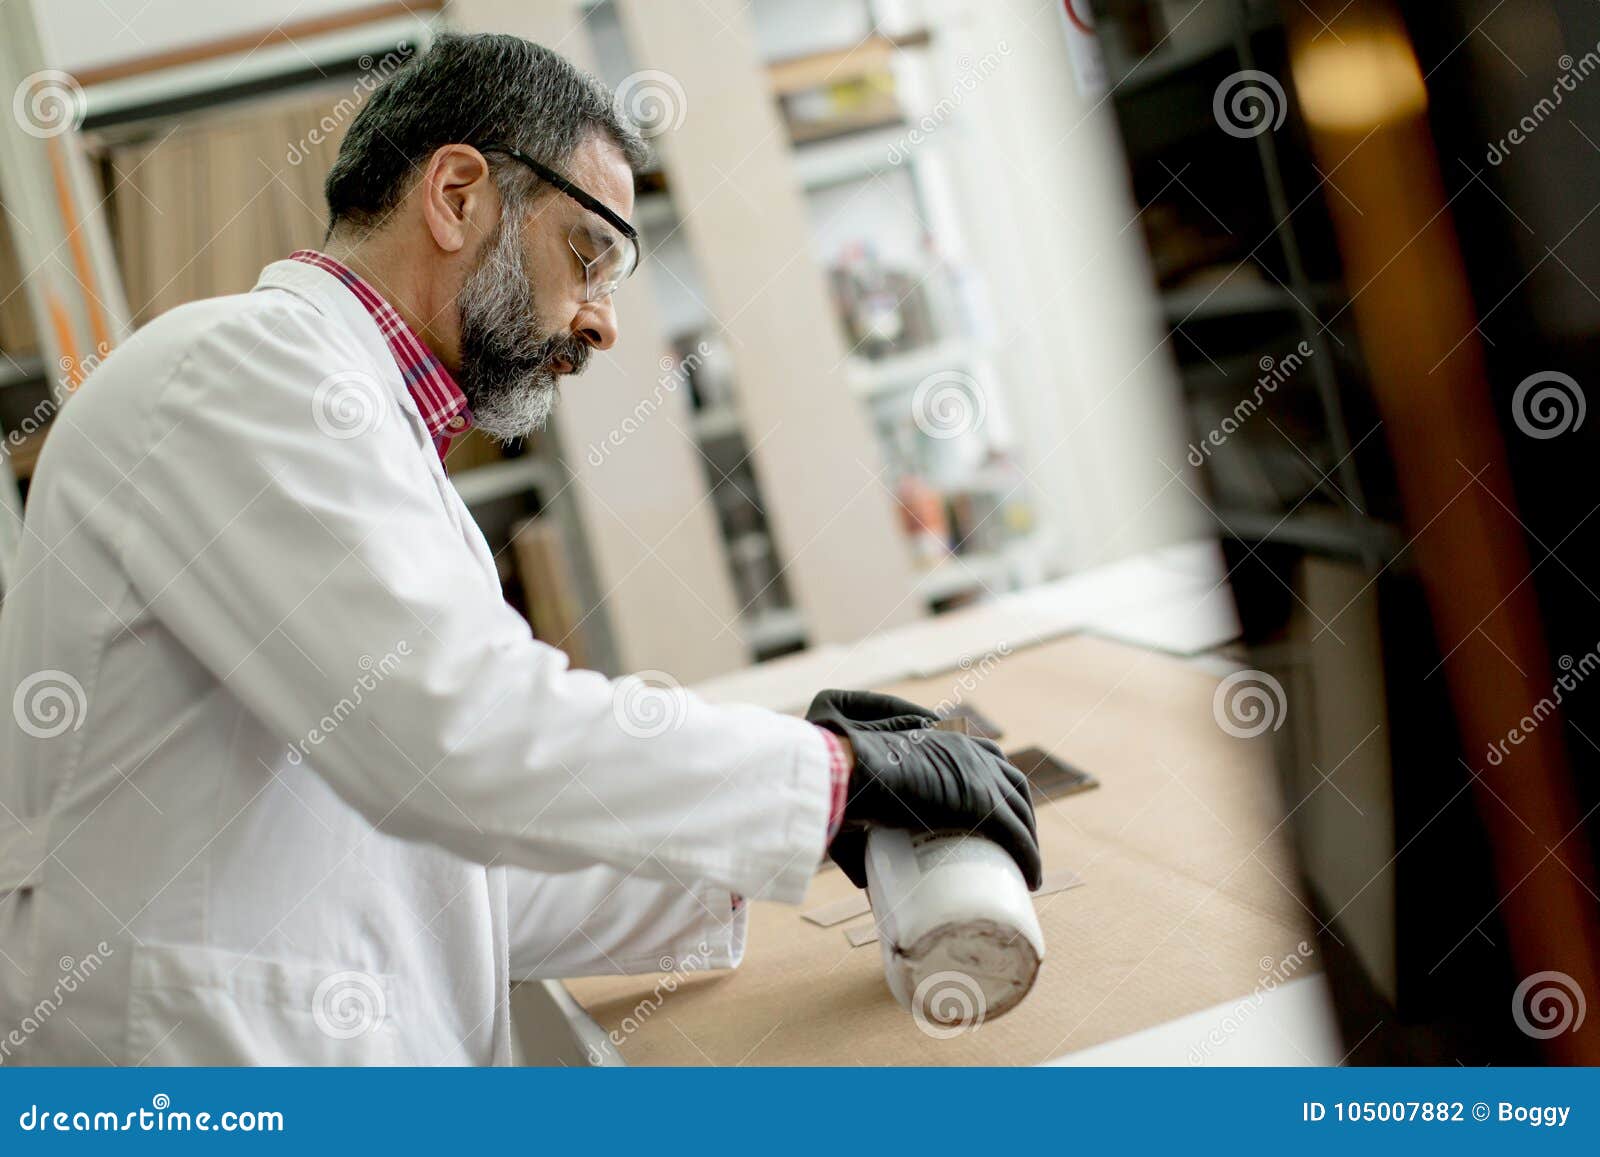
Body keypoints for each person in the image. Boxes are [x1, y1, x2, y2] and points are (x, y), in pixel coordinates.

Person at [0, 33, 1038, 1065]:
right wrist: (830, 775)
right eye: (590, 253)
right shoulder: (242, 372)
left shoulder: (362, 427)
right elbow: (463, 736)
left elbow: (455, 868)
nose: (605, 323)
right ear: (456, 193)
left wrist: (805, 816)